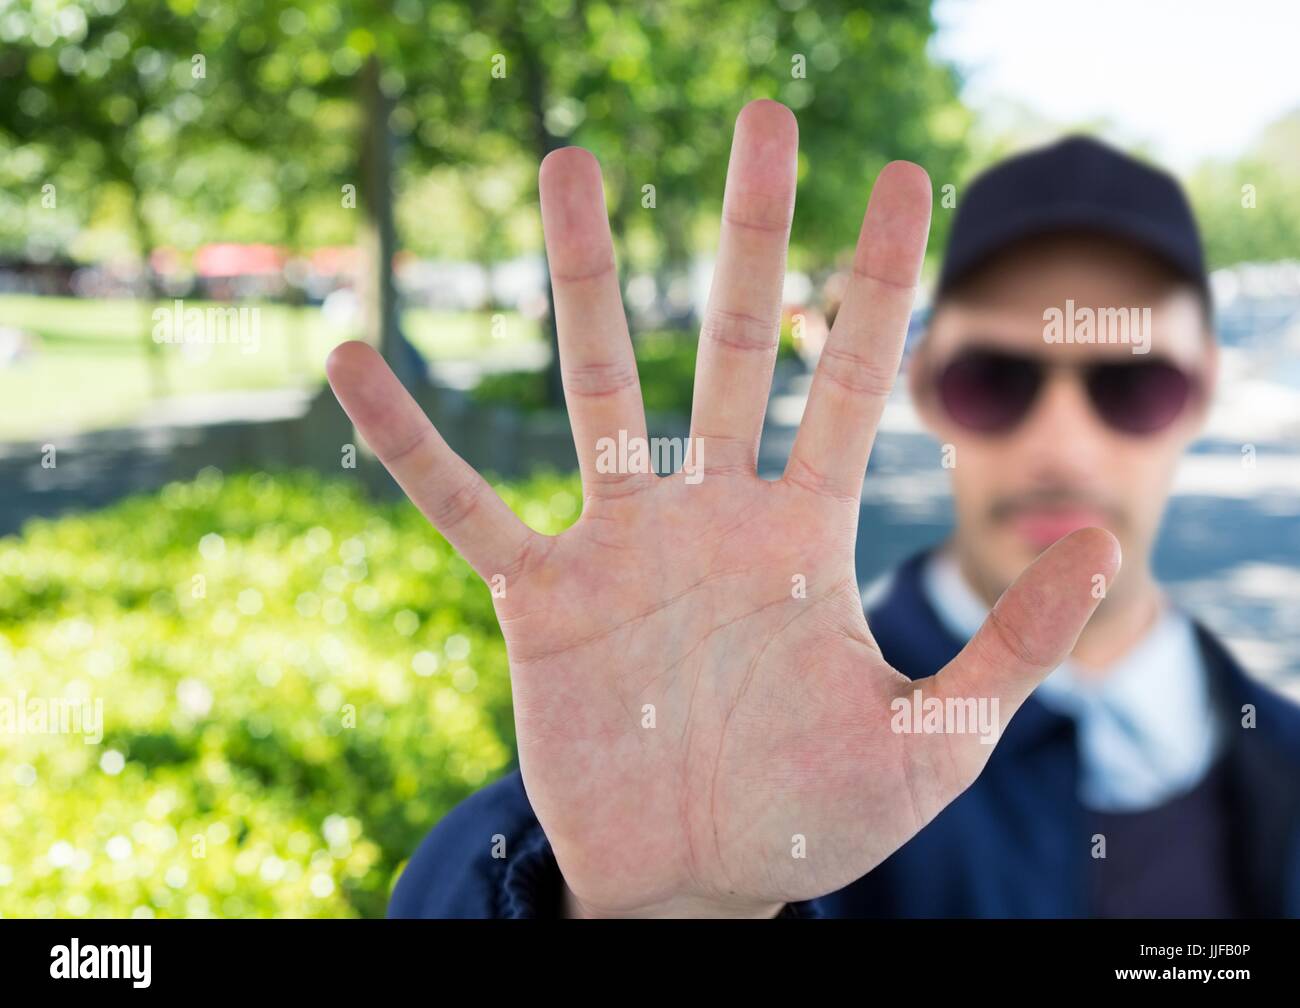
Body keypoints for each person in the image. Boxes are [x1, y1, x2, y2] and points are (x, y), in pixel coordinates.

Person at [326, 100, 1300, 918]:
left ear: (1205, 390)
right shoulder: (762, 707)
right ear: (921, 383)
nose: (1062, 439)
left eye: (1130, 384)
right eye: (998, 379)